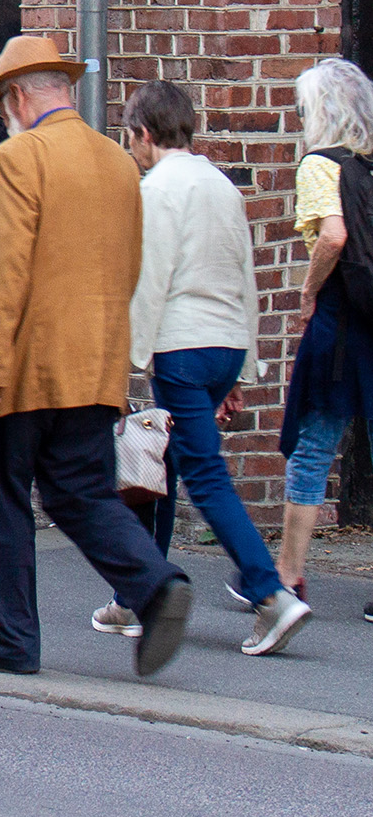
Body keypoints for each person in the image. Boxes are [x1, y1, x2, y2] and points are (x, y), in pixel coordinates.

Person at [0, 35, 193, 677]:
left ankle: (10, 642)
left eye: (2, 107)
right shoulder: (117, 162)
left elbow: (6, 269)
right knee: (82, 495)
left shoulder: (19, 157)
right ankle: (154, 584)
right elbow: (130, 267)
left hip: (19, 369)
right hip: (93, 367)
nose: (5, 118)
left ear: (19, 97)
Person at [93, 79, 307, 655]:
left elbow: (150, 281)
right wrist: (243, 369)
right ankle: (138, 594)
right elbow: (246, 277)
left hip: (180, 349)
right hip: (224, 345)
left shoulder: (157, 189)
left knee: (203, 477)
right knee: (160, 471)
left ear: (141, 134)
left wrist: (126, 364)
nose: (130, 147)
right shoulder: (221, 186)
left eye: (129, 137)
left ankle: (271, 595)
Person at [276, 57, 373, 627]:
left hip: (340, 323)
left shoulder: (321, 164)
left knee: (312, 449)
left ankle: (287, 578)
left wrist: (309, 292)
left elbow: (332, 235)